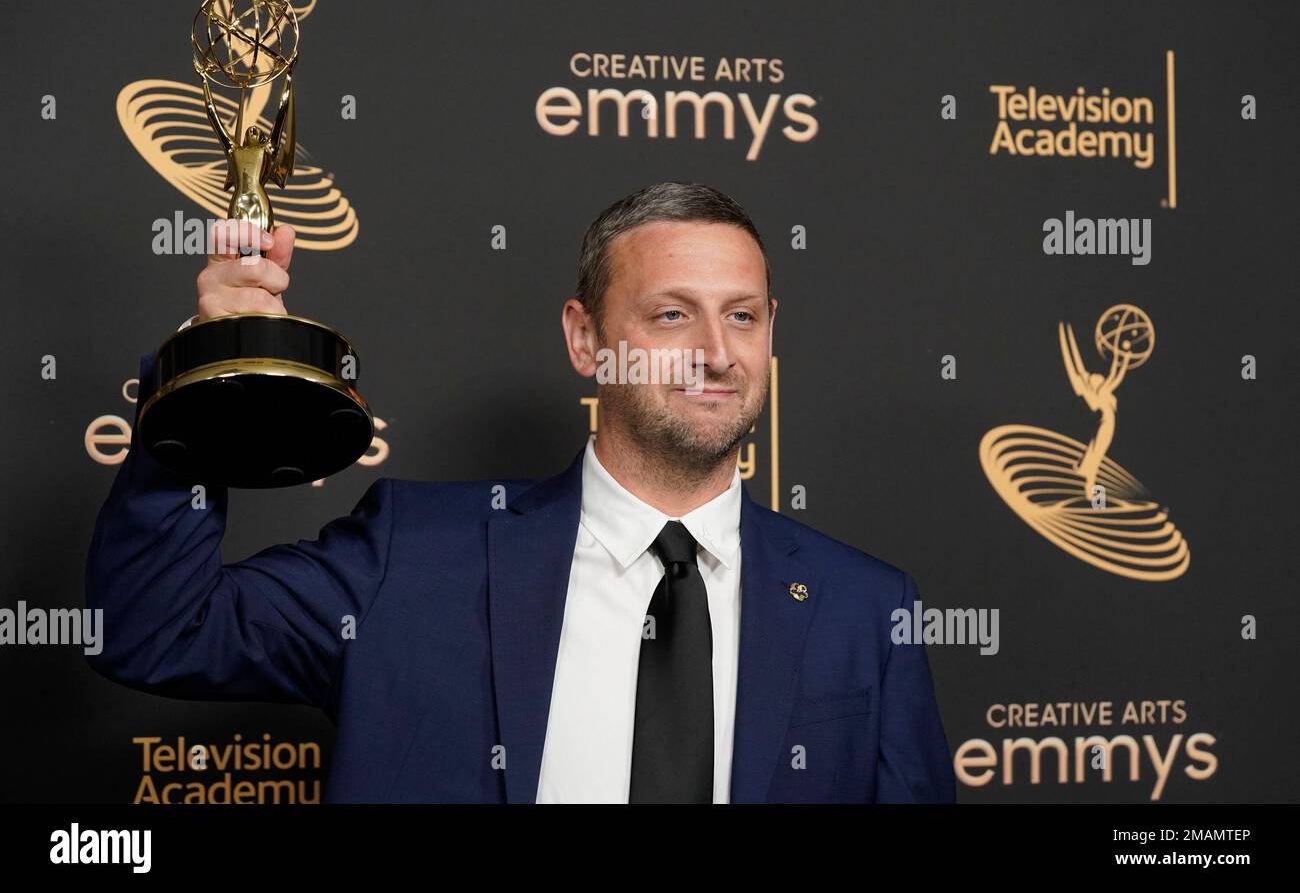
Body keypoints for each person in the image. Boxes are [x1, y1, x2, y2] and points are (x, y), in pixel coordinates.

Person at [85, 181, 955, 803]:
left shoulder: (865, 610)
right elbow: (156, 629)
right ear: (585, 339)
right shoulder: (414, 558)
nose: (717, 353)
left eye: (742, 315)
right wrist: (209, 366)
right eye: (671, 314)